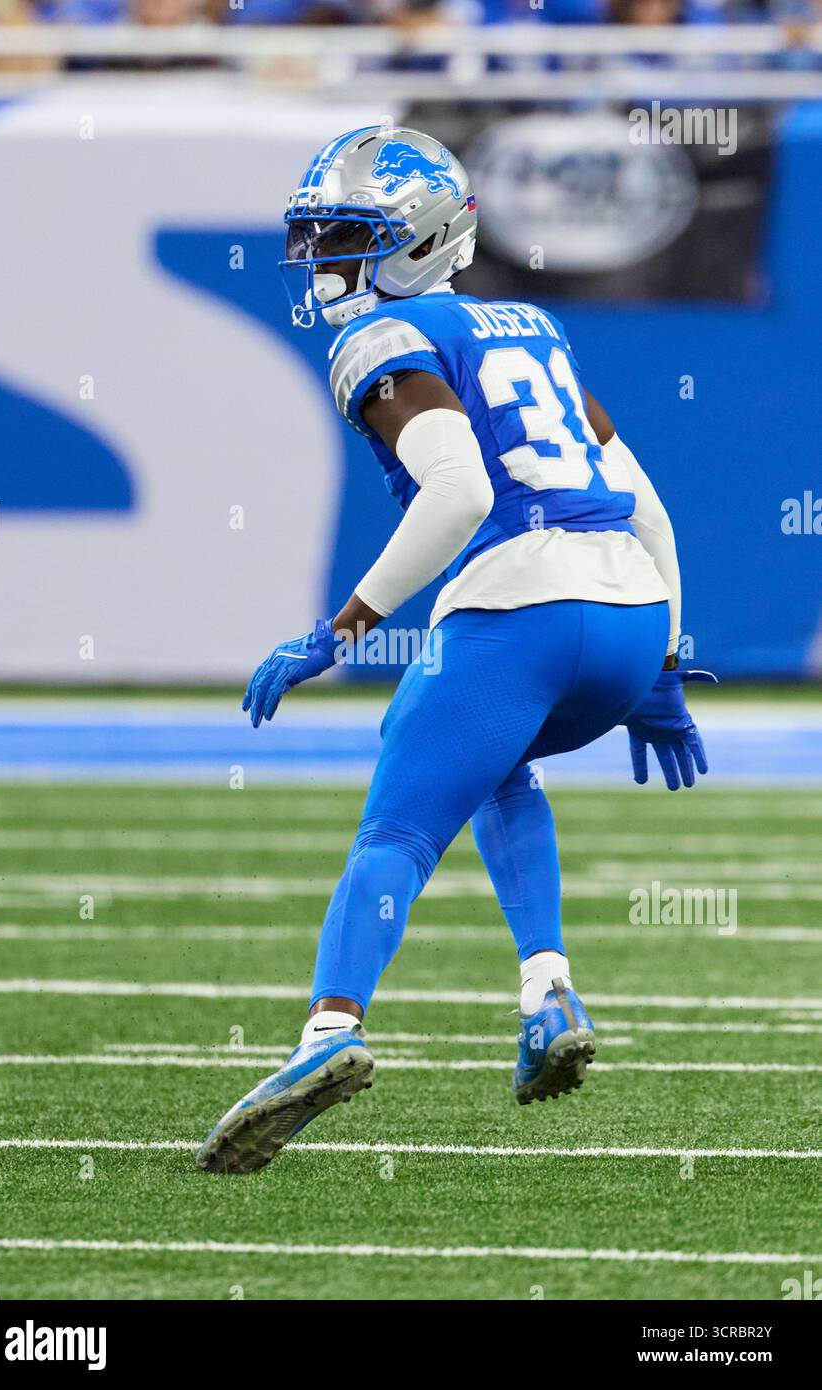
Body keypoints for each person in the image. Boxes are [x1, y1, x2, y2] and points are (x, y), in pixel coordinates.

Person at [198, 125, 712, 1176]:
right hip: (623, 614)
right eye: (321, 239)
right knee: (495, 765)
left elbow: (464, 490)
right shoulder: (532, 327)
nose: (326, 265)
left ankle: (327, 1034)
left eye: (349, 240)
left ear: (418, 242)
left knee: (396, 823)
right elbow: (647, 503)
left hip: (521, 607)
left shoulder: (382, 339)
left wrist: (339, 629)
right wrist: (659, 664)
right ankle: (547, 990)